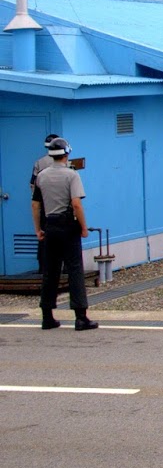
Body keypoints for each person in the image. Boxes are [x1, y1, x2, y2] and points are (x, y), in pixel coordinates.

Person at [31, 138, 97, 331]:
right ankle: (80, 317)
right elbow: (76, 204)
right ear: (66, 154)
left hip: (50, 225)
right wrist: (84, 227)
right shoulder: (71, 175)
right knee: (74, 269)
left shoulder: (41, 176)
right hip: (68, 225)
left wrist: (38, 229)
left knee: (50, 271)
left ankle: (47, 316)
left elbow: (35, 205)